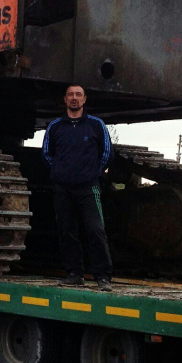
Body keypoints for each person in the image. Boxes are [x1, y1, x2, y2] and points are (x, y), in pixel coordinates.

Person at [41, 84, 114, 291]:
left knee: (95, 229)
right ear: (65, 99)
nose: (74, 98)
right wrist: (59, 171)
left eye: (78, 95)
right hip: (62, 188)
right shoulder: (55, 126)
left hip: (88, 187)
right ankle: (74, 273)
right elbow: (46, 154)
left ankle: (103, 277)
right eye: (71, 95)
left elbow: (107, 154)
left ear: (84, 99)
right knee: (67, 231)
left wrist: (94, 172)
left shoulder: (96, 125)